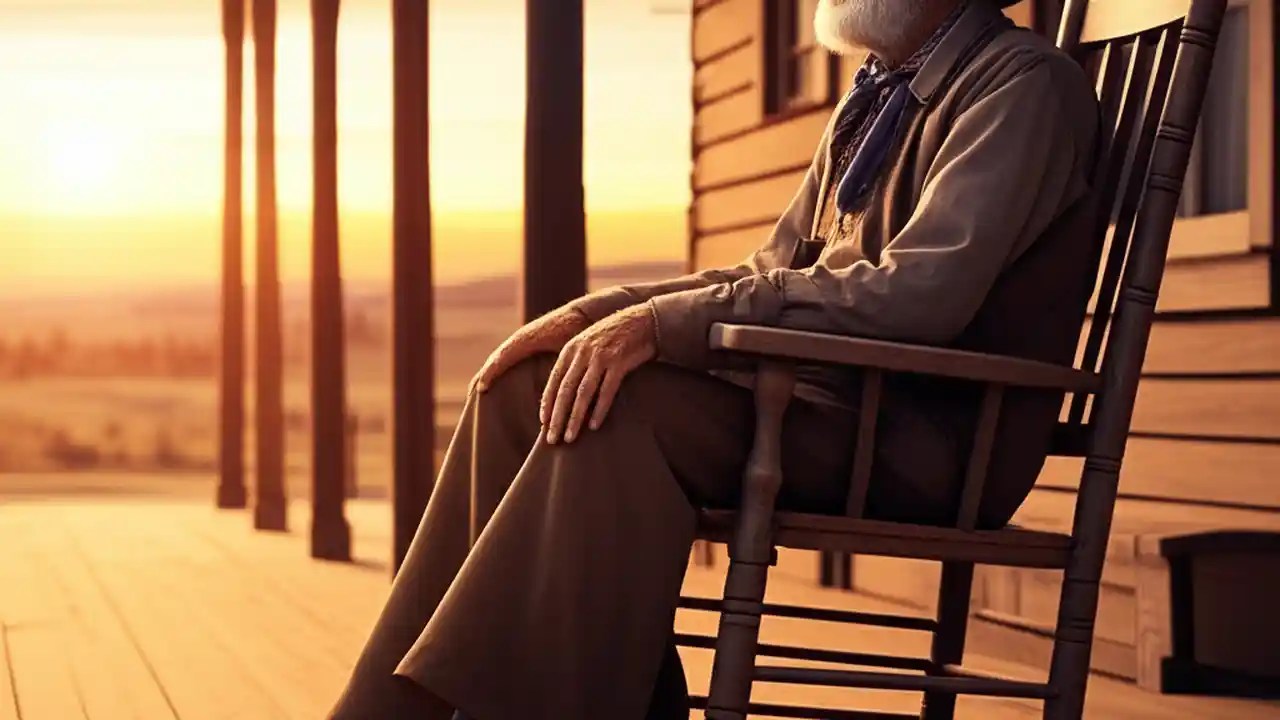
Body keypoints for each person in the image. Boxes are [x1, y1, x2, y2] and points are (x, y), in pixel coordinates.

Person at [329, 0, 1101, 718]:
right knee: (526, 386)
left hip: (917, 436)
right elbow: (763, 271)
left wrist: (666, 329)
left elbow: (919, 297)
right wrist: (601, 313)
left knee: (616, 407)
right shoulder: (877, 98)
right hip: (817, 403)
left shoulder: (1024, 89)